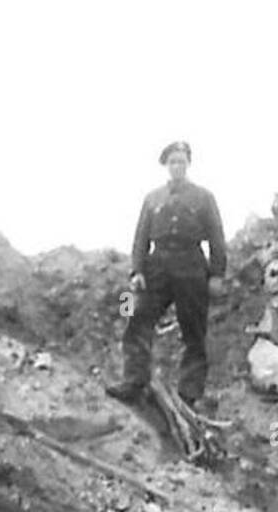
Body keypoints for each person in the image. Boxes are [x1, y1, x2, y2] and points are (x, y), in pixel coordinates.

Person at [106, 140, 227, 407]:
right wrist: (136, 270)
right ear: (166, 165)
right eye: (172, 161)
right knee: (136, 319)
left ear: (188, 165)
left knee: (193, 331)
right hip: (157, 266)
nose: (177, 166)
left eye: (181, 161)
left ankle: (189, 394)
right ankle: (134, 382)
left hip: (191, 267)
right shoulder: (152, 199)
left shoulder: (203, 197)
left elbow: (217, 238)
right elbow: (140, 238)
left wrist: (217, 274)